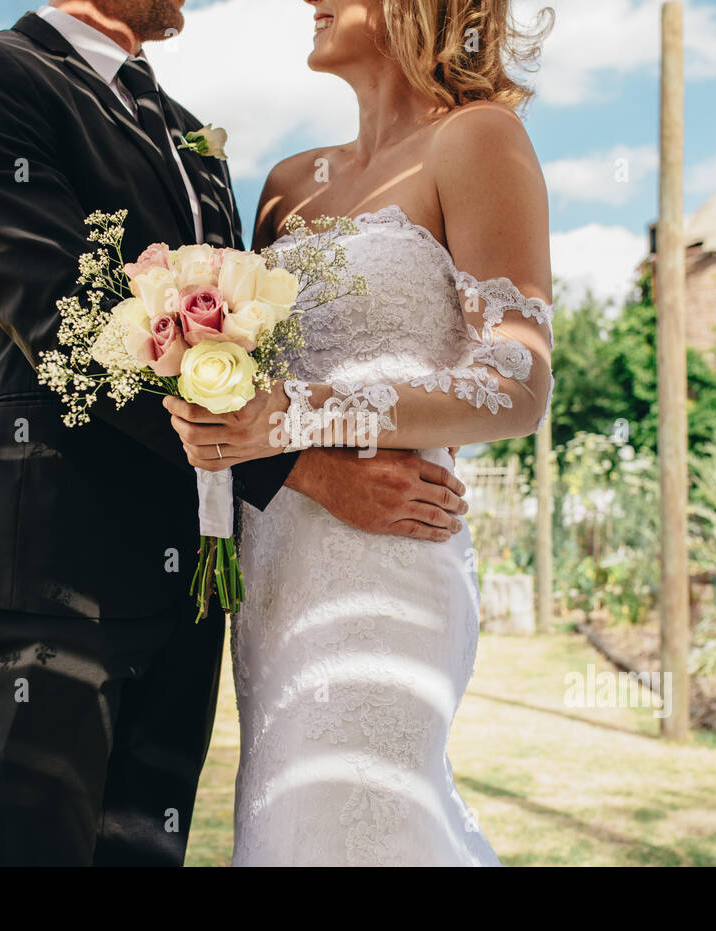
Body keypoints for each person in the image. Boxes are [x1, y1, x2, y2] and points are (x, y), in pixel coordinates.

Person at [0, 0, 469, 866]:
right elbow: (67, 322)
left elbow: (244, 346)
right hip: (45, 581)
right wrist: (305, 472)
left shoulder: (184, 132)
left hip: (190, 594)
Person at [164, 0, 556, 865]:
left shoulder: (477, 138)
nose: (310, 0)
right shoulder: (283, 183)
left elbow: (518, 381)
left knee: (355, 809)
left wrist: (296, 415)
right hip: (275, 563)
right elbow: (252, 377)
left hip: (389, 551)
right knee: (286, 813)